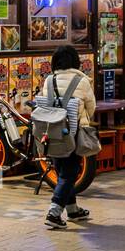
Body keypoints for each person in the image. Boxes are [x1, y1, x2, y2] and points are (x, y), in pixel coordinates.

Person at [41, 45, 96, 229]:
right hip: (74, 132)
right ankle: (54, 213)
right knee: (70, 173)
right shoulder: (82, 81)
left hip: (53, 134)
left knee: (62, 172)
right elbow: (91, 107)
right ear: (75, 61)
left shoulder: (49, 81)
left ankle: (72, 210)